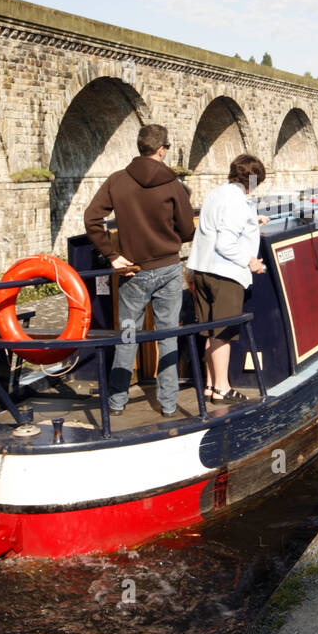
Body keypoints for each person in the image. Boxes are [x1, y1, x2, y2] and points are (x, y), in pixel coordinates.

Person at [84, 124, 195, 418]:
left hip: (132, 270)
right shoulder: (174, 185)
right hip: (169, 268)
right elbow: (186, 230)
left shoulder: (117, 181)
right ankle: (168, 404)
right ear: (161, 149)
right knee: (167, 336)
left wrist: (112, 255)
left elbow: (92, 219)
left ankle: (118, 402)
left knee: (128, 335)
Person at [186, 153, 269, 403]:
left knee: (210, 331)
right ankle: (223, 388)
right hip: (224, 275)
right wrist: (251, 262)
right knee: (223, 333)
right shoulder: (238, 202)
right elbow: (226, 243)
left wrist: (252, 221)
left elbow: (213, 227)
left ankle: (210, 385)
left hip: (201, 270)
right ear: (253, 181)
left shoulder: (216, 194)